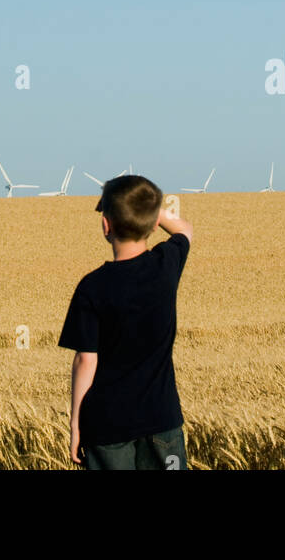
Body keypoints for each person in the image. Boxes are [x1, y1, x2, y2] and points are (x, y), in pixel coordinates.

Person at [58, 173, 193, 469]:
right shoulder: (165, 265)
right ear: (154, 223)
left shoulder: (91, 287)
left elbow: (86, 361)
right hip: (162, 422)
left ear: (106, 225)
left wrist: (76, 426)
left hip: (107, 428)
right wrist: (152, 210)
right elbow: (184, 229)